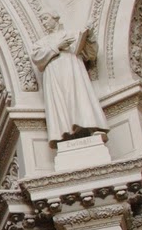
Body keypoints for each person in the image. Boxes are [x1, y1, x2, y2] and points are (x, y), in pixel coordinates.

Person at [31, 12, 108, 143]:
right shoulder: (41, 42)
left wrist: (89, 36)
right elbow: (37, 58)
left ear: (55, 18)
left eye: (45, 18)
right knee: (60, 102)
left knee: (79, 97)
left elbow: (91, 54)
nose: (43, 22)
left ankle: (91, 128)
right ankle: (65, 135)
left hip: (73, 72)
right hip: (54, 75)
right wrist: (57, 46)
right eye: (42, 20)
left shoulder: (72, 34)